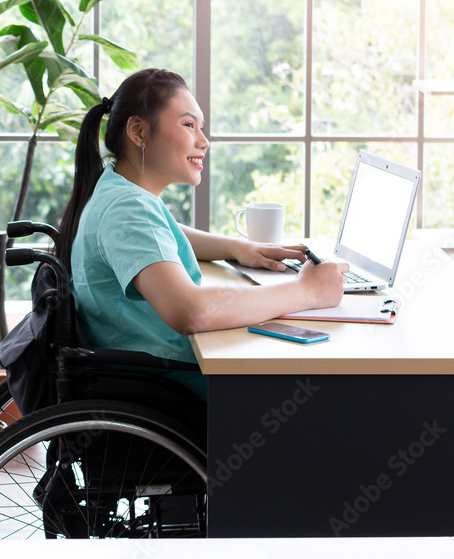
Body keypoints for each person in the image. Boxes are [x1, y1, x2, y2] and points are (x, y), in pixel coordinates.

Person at [55, 69, 347, 401]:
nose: (203, 141)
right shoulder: (127, 208)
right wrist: (306, 290)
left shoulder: (117, 190)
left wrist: (238, 247)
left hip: (154, 374)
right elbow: (190, 311)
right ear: (138, 131)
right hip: (170, 387)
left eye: (201, 127)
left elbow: (162, 233)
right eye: (188, 125)